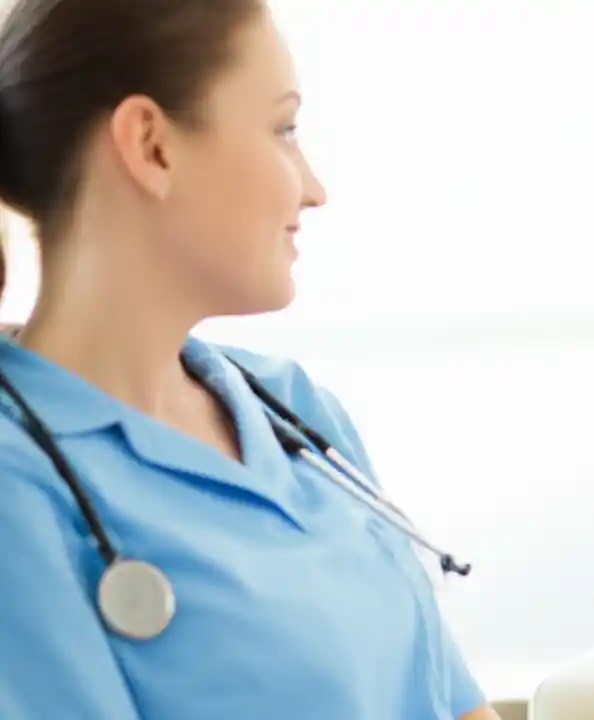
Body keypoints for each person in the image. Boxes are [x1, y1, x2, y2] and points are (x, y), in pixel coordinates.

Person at [0, 1, 498, 718]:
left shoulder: (295, 411)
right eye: (283, 128)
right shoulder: (20, 488)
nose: (314, 188)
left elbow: (456, 705)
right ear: (152, 146)